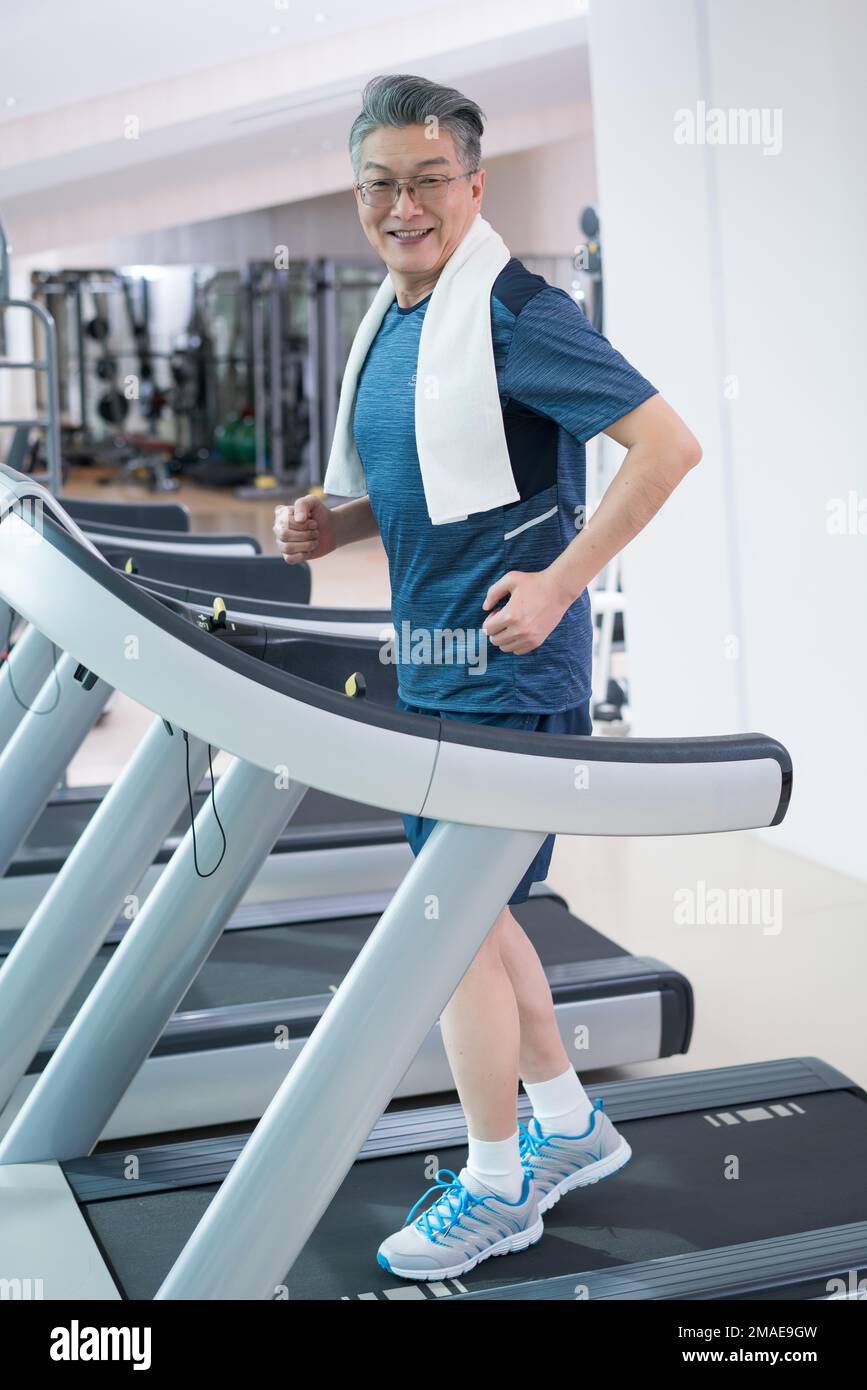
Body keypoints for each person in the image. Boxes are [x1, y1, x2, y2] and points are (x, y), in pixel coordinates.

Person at [274, 73, 701, 1282]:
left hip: (509, 671)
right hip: (436, 657)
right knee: (475, 910)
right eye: (379, 183)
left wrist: (563, 582)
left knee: (445, 925)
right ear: (359, 190)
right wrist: (342, 526)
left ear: (474, 183)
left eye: (426, 180)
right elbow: (446, 491)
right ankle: (569, 1123)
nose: (402, 206)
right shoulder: (401, 317)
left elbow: (666, 448)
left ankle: (500, 1181)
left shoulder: (514, 311)